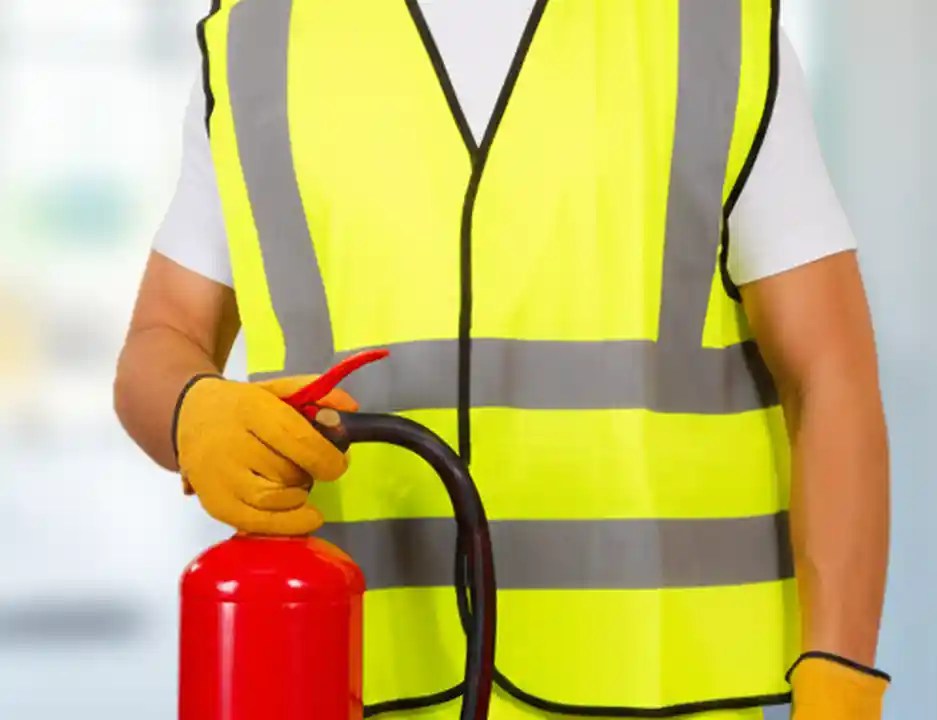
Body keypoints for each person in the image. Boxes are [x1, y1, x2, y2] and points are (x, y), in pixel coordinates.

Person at [114, 1, 892, 718]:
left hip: (661, 687)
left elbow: (829, 370)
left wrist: (839, 679)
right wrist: (191, 412)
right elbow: (162, 336)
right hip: (345, 672)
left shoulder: (706, 29)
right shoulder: (261, 35)